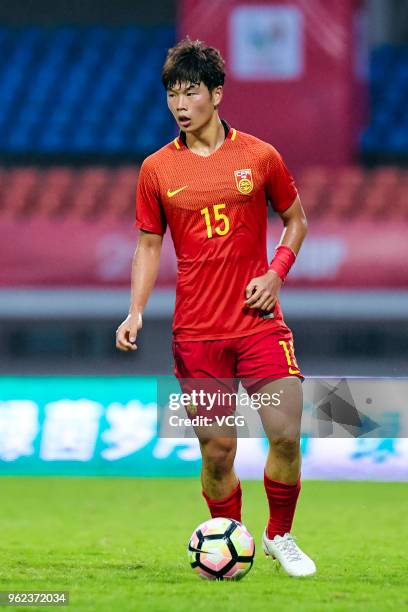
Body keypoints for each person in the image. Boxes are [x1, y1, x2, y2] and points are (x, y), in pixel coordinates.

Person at [116, 37, 316, 577]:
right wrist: (135, 311)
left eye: (191, 92)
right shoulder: (156, 169)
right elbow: (148, 246)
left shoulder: (259, 156)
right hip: (198, 335)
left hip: (257, 324)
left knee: (285, 434)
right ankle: (232, 536)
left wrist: (276, 274)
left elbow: (296, 221)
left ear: (217, 94)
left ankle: (280, 536)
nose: (180, 104)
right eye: (172, 95)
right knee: (219, 451)